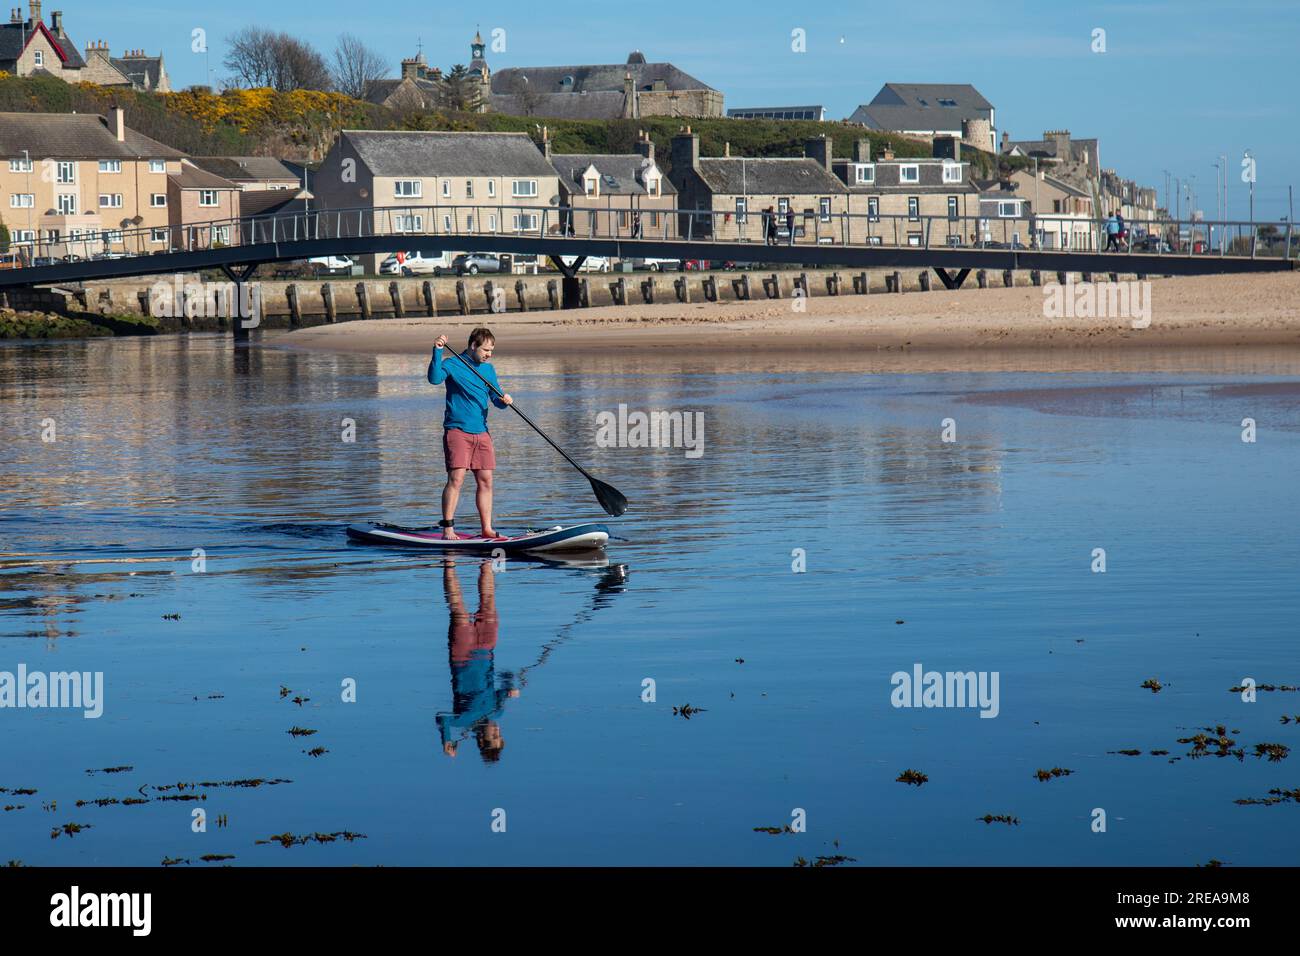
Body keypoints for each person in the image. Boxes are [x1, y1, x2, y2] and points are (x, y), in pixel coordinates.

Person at [428, 327, 513, 540]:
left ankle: (487, 528)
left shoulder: (488, 369)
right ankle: (448, 528)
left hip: (482, 433)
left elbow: (495, 399)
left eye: (491, 350)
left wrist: (504, 401)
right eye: (485, 350)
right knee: (456, 479)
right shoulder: (452, 364)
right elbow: (434, 378)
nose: (489, 354)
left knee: (486, 481)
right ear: (473, 345)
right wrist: (437, 351)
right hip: (457, 430)